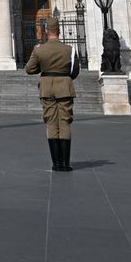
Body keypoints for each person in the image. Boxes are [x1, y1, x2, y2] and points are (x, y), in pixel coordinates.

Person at [26, 16, 81, 171]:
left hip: (47, 88)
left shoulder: (39, 50)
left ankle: (56, 163)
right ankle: (65, 163)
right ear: (59, 31)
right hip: (65, 86)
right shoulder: (69, 50)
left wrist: (43, 69)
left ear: (46, 31)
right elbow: (75, 71)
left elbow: (29, 69)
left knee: (51, 122)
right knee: (64, 122)